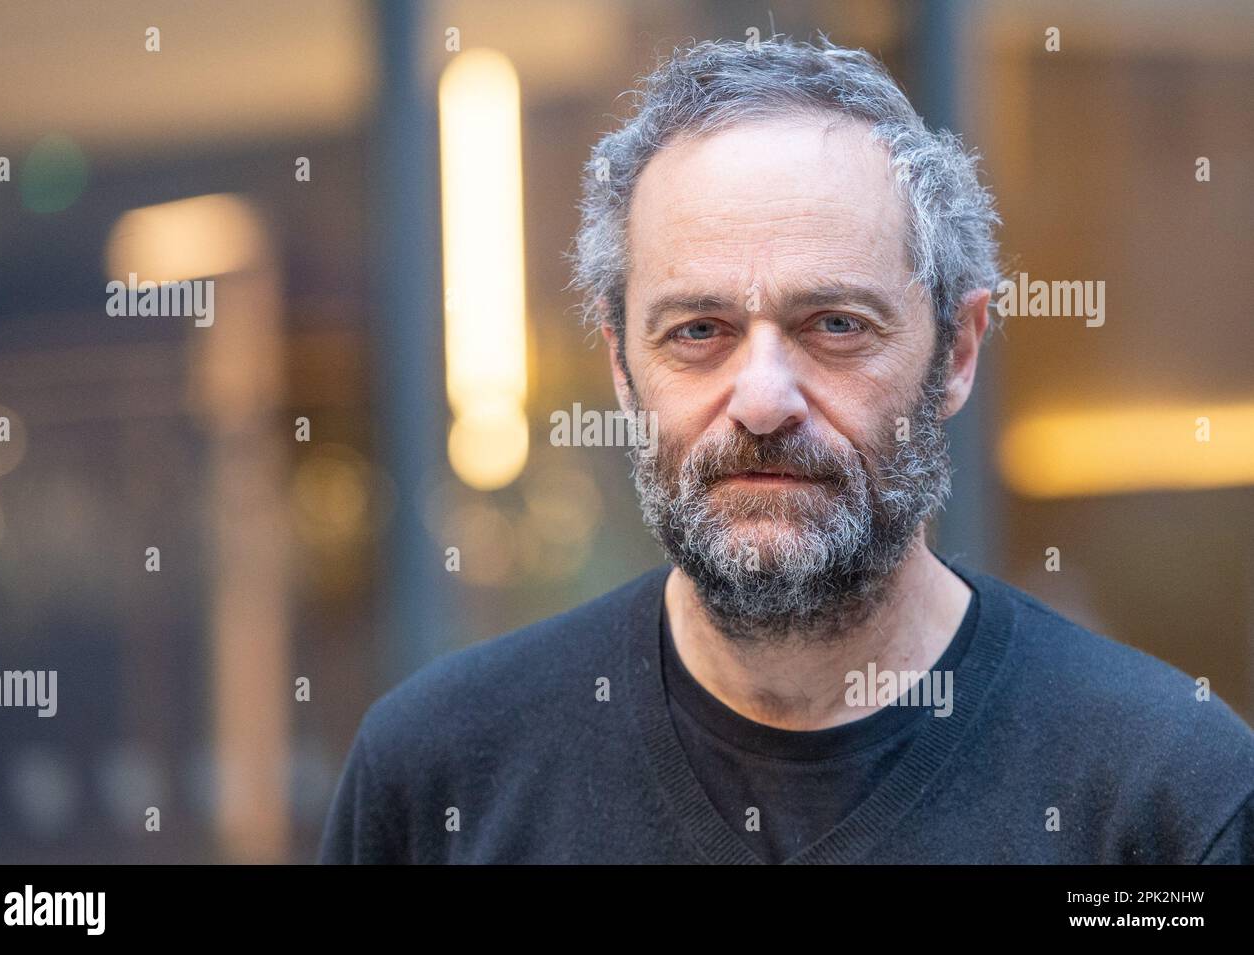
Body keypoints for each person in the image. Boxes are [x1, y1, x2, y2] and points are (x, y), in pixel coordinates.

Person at [320, 34, 1254, 864]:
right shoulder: (439, 771)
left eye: (836, 323)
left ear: (958, 351)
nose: (763, 401)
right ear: (619, 365)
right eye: (697, 331)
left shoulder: (1164, 792)